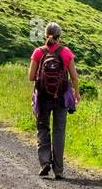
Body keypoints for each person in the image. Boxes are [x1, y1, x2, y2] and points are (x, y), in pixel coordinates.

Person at [28, 22, 79, 179]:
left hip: (43, 97)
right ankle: (59, 170)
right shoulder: (65, 52)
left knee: (43, 129)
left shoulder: (38, 52)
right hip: (61, 98)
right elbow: (74, 77)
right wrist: (76, 93)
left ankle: (45, 163)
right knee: (59, 132)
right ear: (59, 36)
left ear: (45, 35)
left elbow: (31, 77)